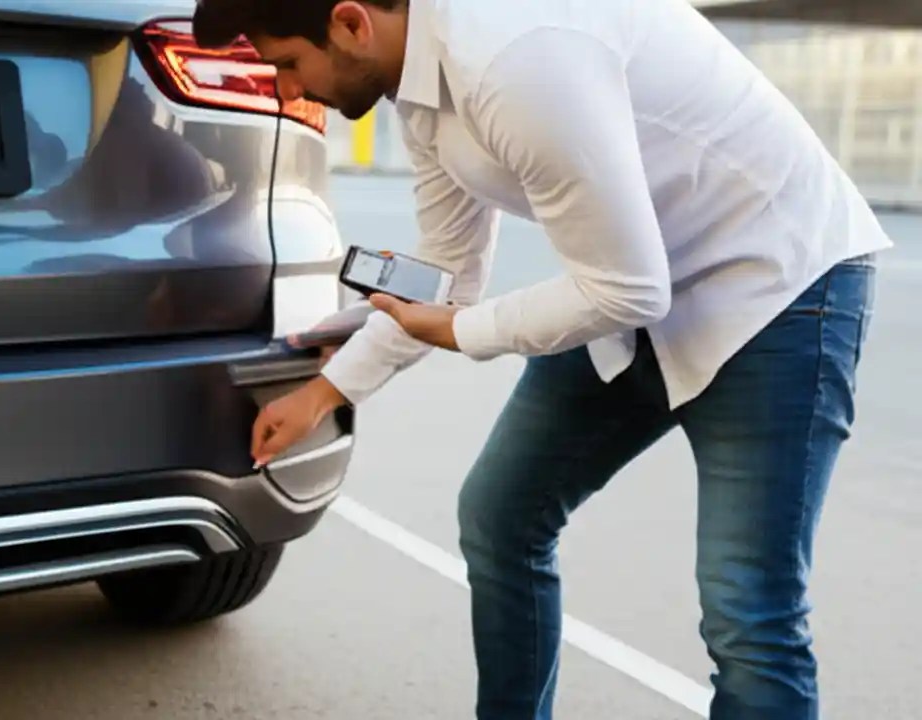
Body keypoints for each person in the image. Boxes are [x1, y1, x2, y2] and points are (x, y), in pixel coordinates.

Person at [193, 0, 892, 718]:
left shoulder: (514, 55)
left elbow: (622, 290)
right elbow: (450, 268)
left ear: (349, 23)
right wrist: (323, 393)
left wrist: (463, 332)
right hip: (634, 289)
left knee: (747, 608)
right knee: (502, 517)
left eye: (286, 63)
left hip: (777, 290)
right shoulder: (419, 87)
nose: (285, 89)